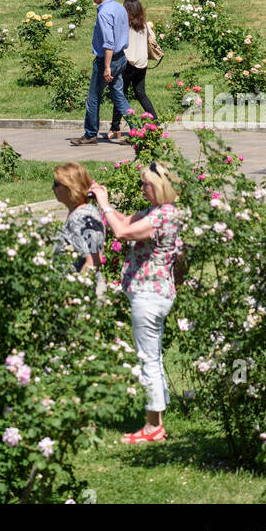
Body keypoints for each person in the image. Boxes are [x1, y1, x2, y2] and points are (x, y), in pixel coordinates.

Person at [90, 162, 184, 443]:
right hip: (152, 293)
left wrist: (105, 205)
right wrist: (103, 200)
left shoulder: (163, 216)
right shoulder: (157, 211)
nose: (142, 189)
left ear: (159, 187)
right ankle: (157, 416)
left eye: (146, 185)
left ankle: (152, 427)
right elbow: (124, 220)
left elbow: (122, 232)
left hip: (149, 295)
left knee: (148, 359)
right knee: (152, 355)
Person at [77, 0, 136, 144]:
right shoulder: (119, 8)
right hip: (121, 57)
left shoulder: (104, 13)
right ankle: (138, 130)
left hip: (107, 60)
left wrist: (107, 67)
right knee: (119, 96)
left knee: (93, 97)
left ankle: (90, 135)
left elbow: (109, 42)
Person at [108, 0, 160, 141]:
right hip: (142, 64)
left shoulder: (126, 25)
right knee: (140, 93)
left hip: (128, 63)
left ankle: (115, 127)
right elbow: (153, 39)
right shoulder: (144, 25)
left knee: (119, 95)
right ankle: (156, 122)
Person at [52, 163, 107, 281]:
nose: (52, 188)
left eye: (56, 184)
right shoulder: (78, 213)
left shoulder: (82, 218)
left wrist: (73, 294)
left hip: (76, 294)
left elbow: (93, 261)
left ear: (70, 186)